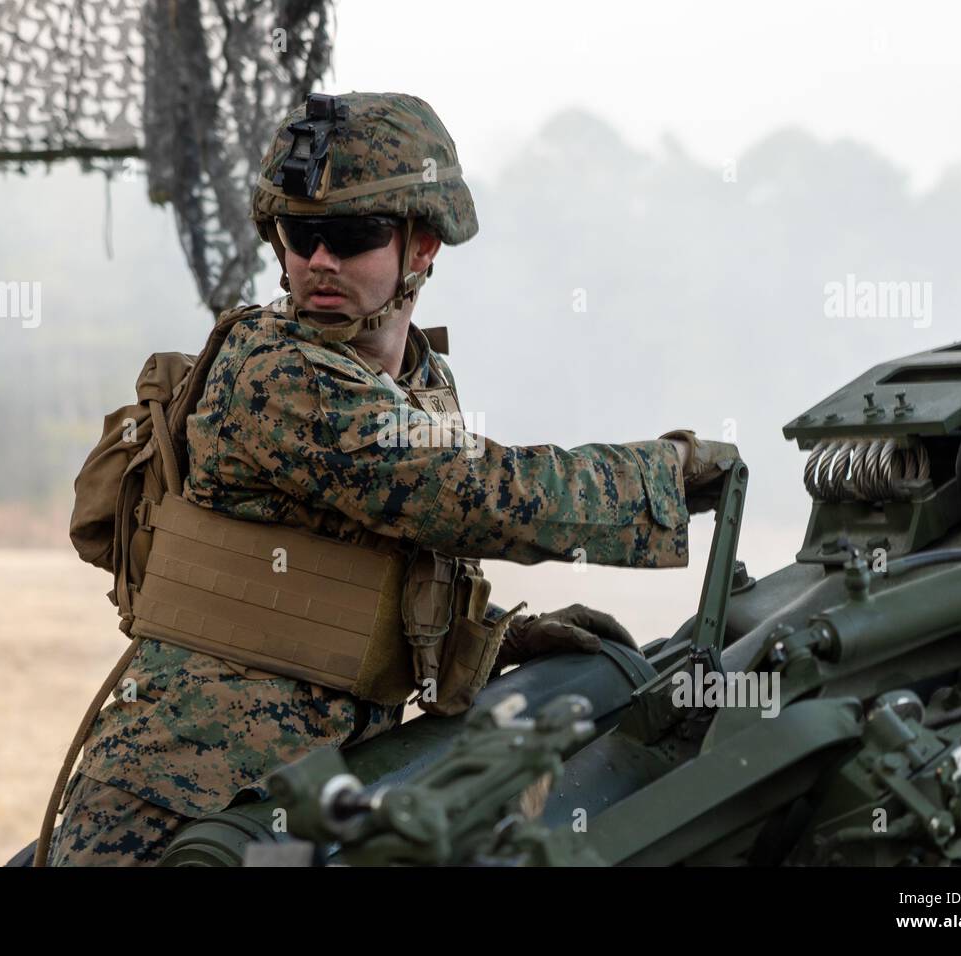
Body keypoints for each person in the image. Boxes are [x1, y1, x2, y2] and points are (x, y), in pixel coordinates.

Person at [47, 91, 738, 865]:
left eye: (352, 235)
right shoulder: (273, 373)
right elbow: (477, 495)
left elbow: (376, 562)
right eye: (299, 234)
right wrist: (663, 474)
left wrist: (493, 636)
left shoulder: (417, 378)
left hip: (313, 798)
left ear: (423, 246)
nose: (318, 261)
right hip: (179, 804)